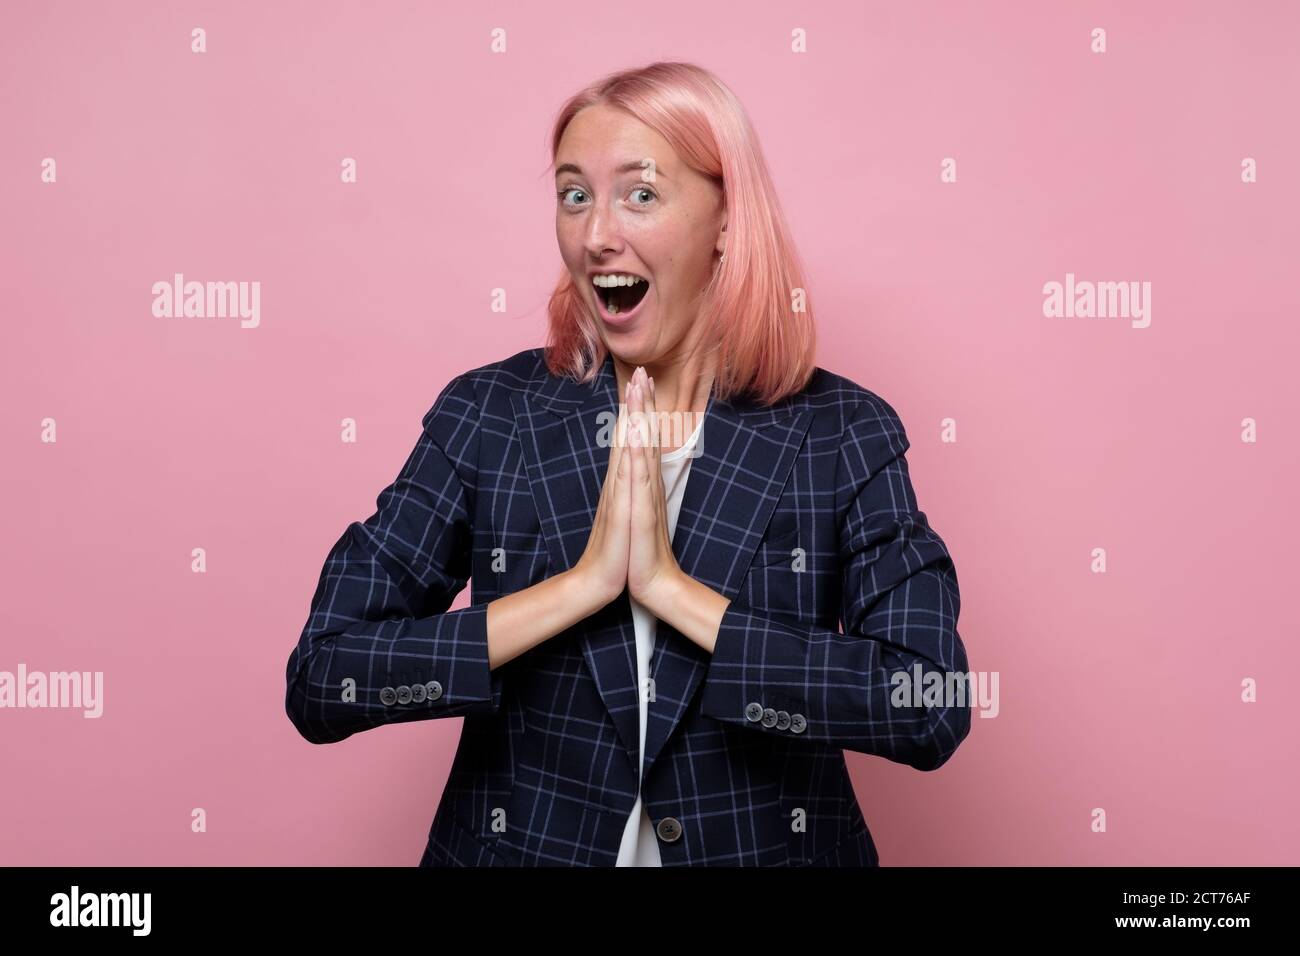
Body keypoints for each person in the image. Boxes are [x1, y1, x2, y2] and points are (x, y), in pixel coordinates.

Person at [284, 61, 971, 867]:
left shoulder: (841, 431)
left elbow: (930, 703)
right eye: (575, 195)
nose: (597, 233)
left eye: (640, 194)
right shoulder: (489, 415)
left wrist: (675, 595)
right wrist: (579, 589)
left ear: (726, 219)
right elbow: (324, 678)